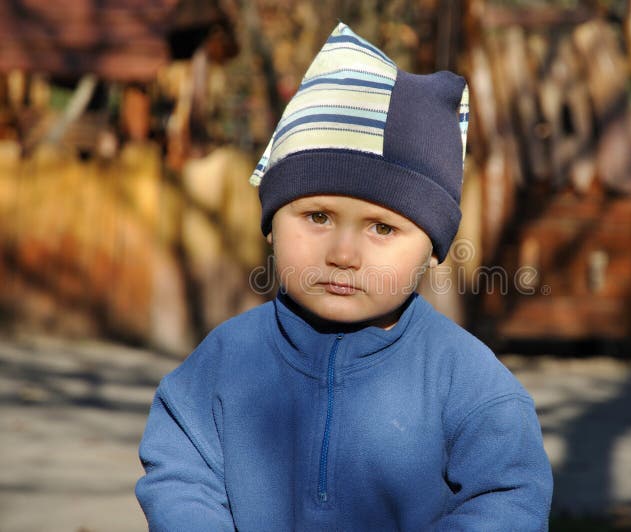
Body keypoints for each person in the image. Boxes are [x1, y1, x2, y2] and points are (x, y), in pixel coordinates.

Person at [135, 22, 552, 531]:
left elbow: (508, 497)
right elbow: (180, 470)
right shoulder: (229, 359)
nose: (344, 253)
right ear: (271, 226)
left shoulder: (465, 381)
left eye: (382, 227)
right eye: (317, 217)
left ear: (430, 250)